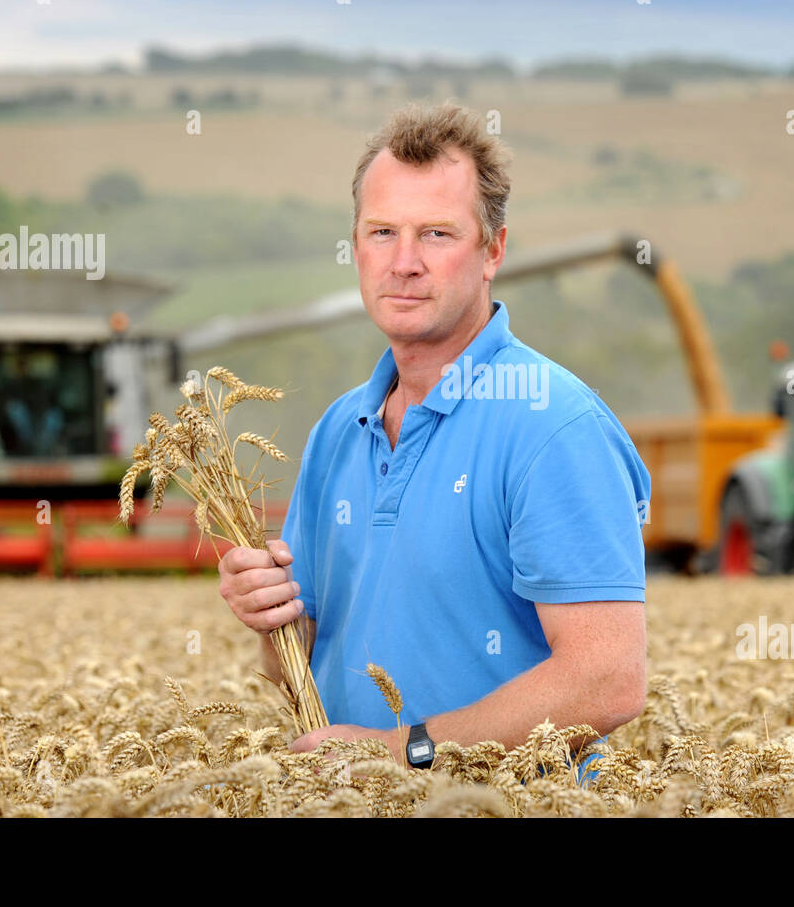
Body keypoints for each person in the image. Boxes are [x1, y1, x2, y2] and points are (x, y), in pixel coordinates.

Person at [217, 103, 650, 779]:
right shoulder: (337, 431)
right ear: (355, 245)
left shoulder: (553, 423)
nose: (404, 263)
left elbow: (608, 680)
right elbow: (301, 660)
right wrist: (270, 614)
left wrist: (405, 753)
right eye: (382, 232)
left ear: (493, 251)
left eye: (437, 234)